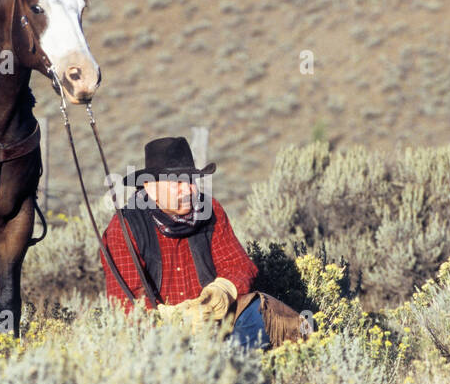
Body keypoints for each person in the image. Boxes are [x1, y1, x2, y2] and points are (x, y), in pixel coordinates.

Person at [98, 136, 302, 350]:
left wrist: (219, 294)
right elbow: (126, 304)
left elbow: (239, 266)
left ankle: (238, 366)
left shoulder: (210, 210)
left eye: (190, 181)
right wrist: (175, 318)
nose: (188, 190)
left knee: (257, 312)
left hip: (216, 322)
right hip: (162, 336)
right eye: (177, 183)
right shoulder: (125, 228)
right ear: (150, 188)